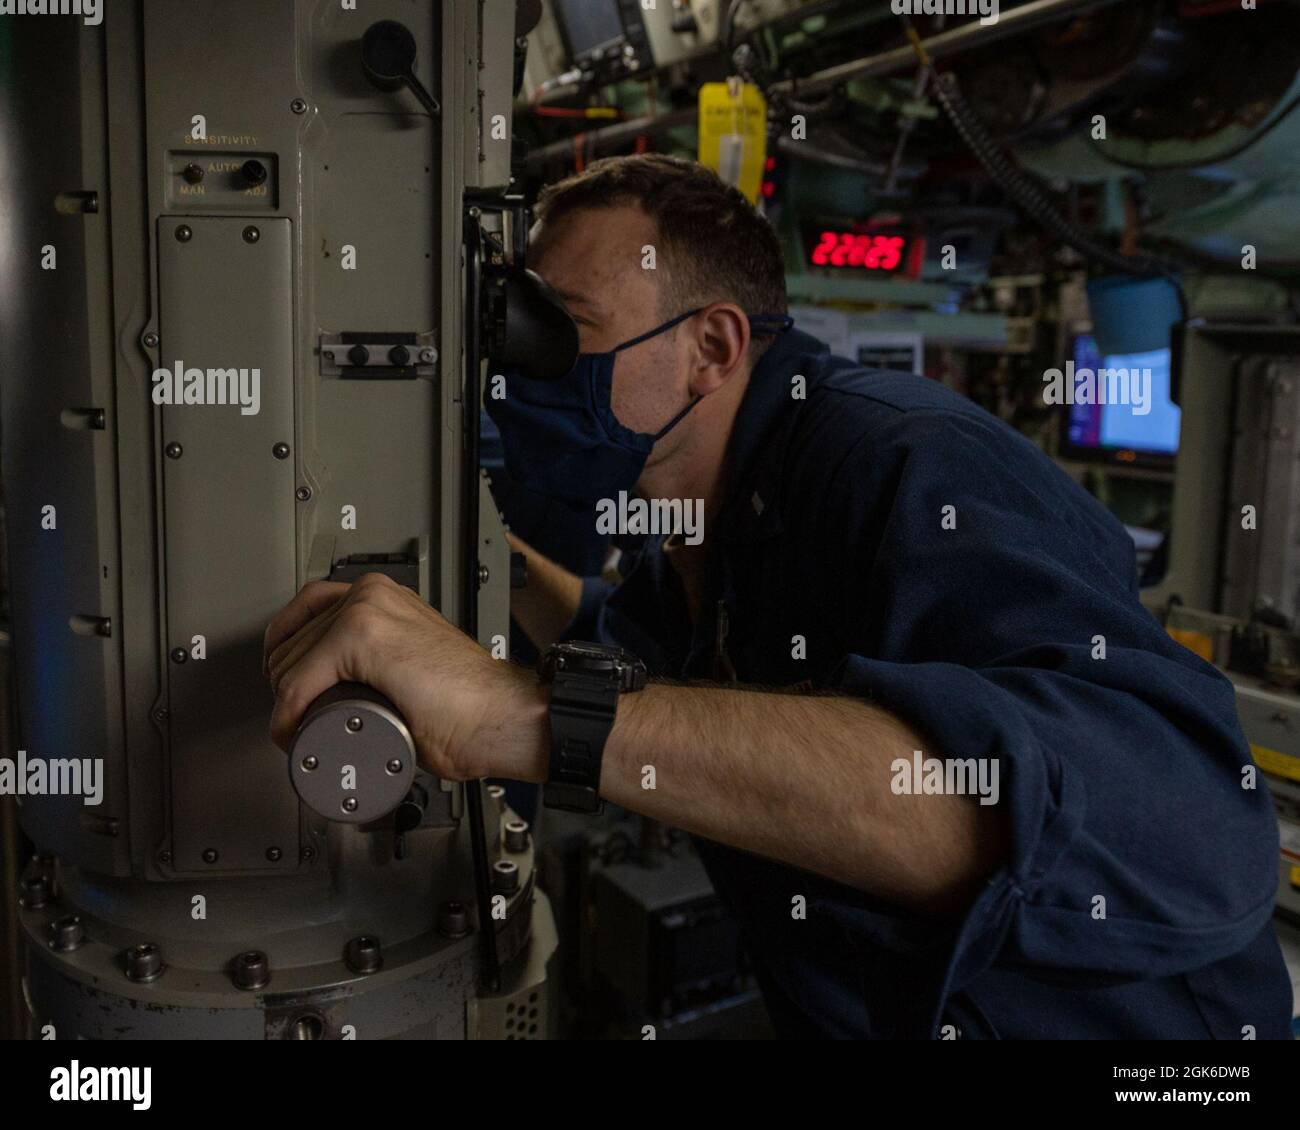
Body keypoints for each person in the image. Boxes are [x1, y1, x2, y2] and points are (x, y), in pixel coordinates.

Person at [263, 154, 1292, 1039]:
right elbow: (638, 665)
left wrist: (514, 711)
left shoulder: (899, 462)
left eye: (566, 332)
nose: (529, 375)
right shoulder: (698, 535)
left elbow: (1187, 828)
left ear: (712, 346)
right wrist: (477, 581)